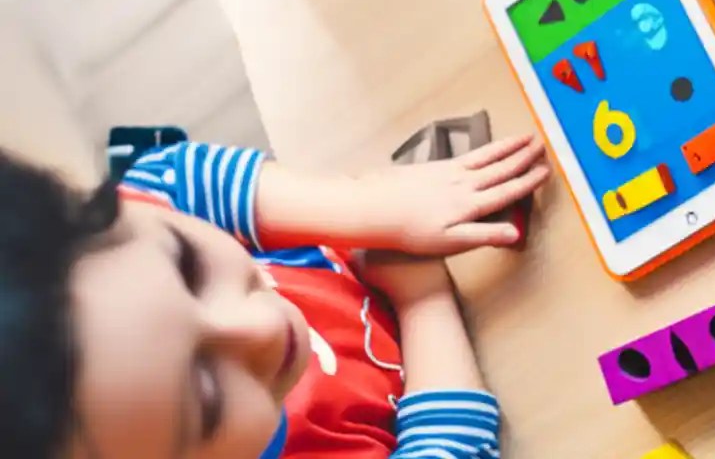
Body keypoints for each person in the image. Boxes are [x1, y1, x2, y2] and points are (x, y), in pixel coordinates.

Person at [0, 135, 550, 459]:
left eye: (188, 267)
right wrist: (422, 300)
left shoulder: (129, 221)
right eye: (209, 395)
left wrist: (370, 208)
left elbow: (171, 177)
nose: (259, 327)